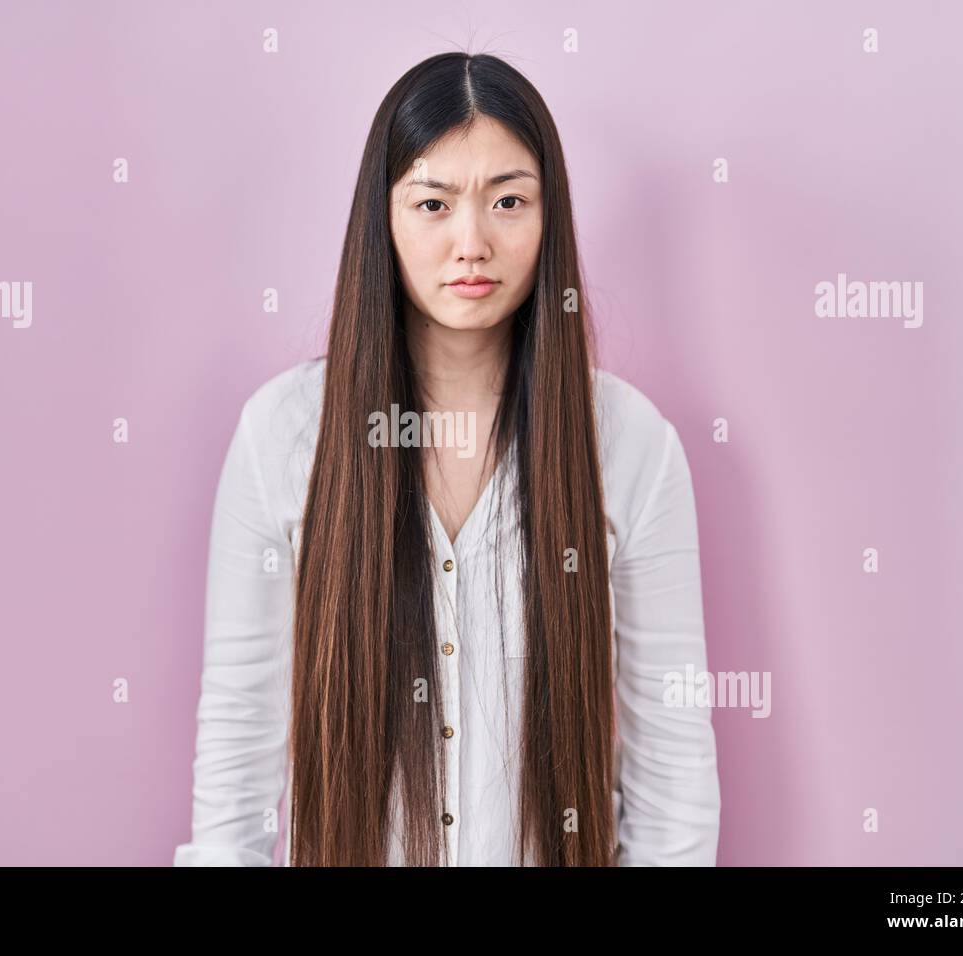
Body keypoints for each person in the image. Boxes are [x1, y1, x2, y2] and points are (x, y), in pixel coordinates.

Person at [174, 51, 720, 867]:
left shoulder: (631, 446)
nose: (473, 242)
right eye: (434, 202)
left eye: (508, 201)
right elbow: (237, 758)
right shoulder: (283, 436)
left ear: (548, 215)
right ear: (384, 218)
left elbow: (671, 767)